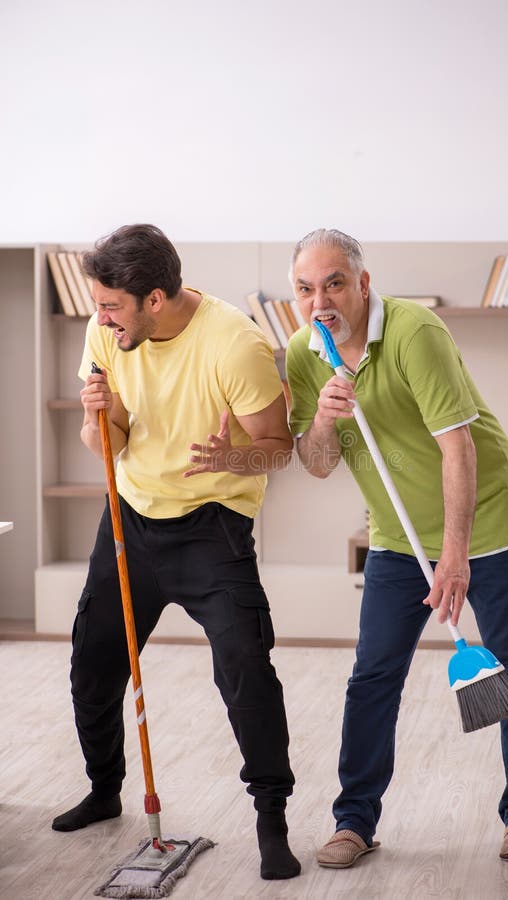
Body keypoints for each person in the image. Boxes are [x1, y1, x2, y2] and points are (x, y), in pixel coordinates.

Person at [285, 228, 508, 868]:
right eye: (305, 289)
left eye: (334, 283)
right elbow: (316, 464)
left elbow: (458, 449)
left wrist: (455, 555)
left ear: (362, 283)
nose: (320, 301)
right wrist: (324, 416)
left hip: (488, 524)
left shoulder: (413, 333)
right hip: (397, 537)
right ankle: (354, 821)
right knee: (374, 673)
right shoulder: (302, 353)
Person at [51, 224, 301, 882]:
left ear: (155, 299)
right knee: (92, 663)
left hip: (210, 525)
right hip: (130, 514)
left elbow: (279, 445)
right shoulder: (107, 331)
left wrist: (234, 456)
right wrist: (96, 416)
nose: (98, 317)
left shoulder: (234, 343)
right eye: (97, 304)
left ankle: (271, 818)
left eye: (110, 306)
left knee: (245, 667)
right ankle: (105, 792)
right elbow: (110, 438)